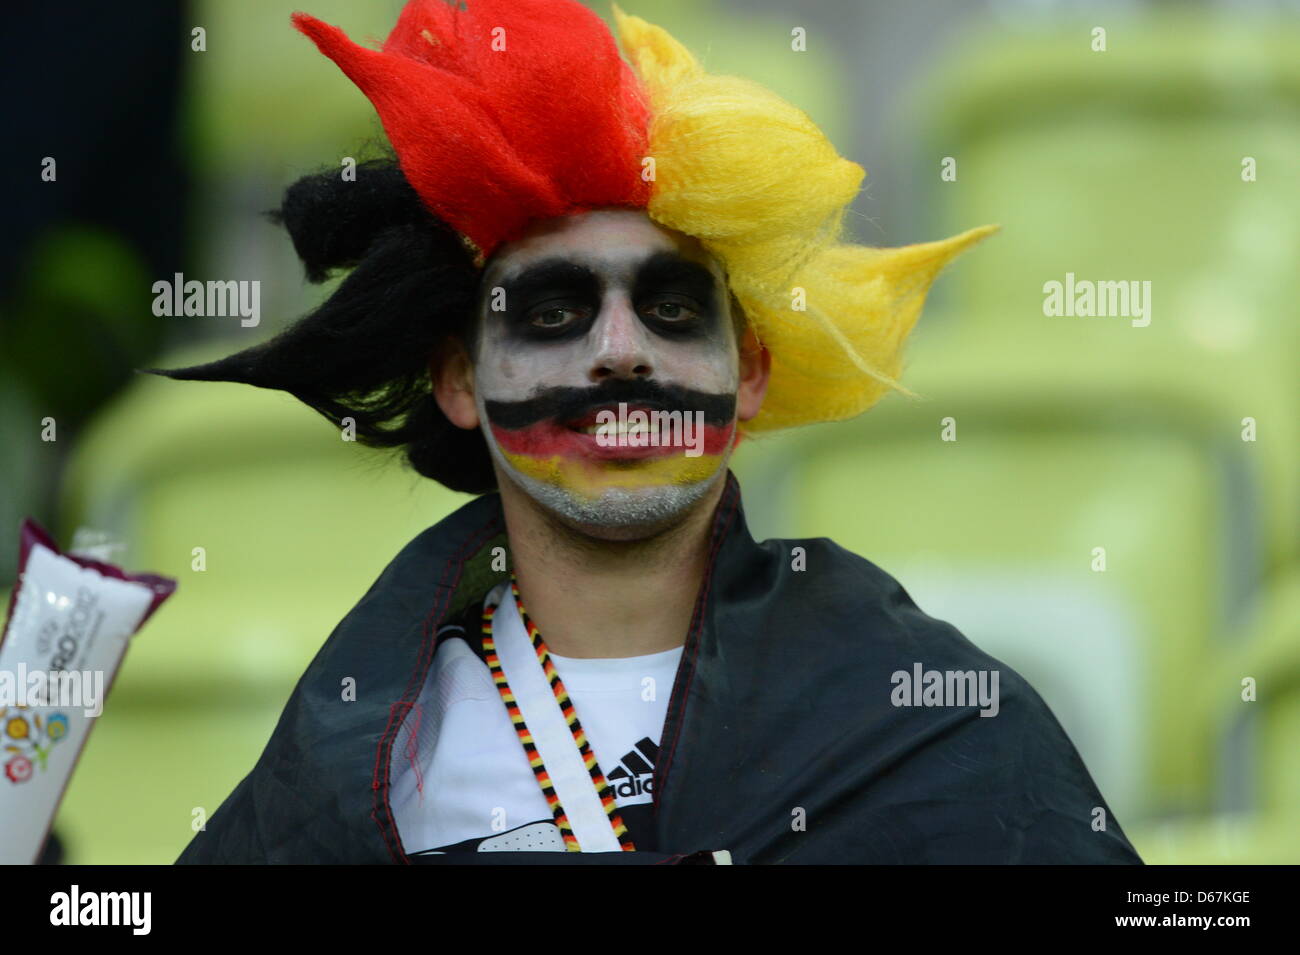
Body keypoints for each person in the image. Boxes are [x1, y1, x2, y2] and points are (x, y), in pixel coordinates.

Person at [155, 0, 1141, 864]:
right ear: (458, 378)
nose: (621, 350)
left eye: (672, 308)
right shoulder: (350, 751)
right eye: (551, 311)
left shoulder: (922, 717)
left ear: (749, 370)